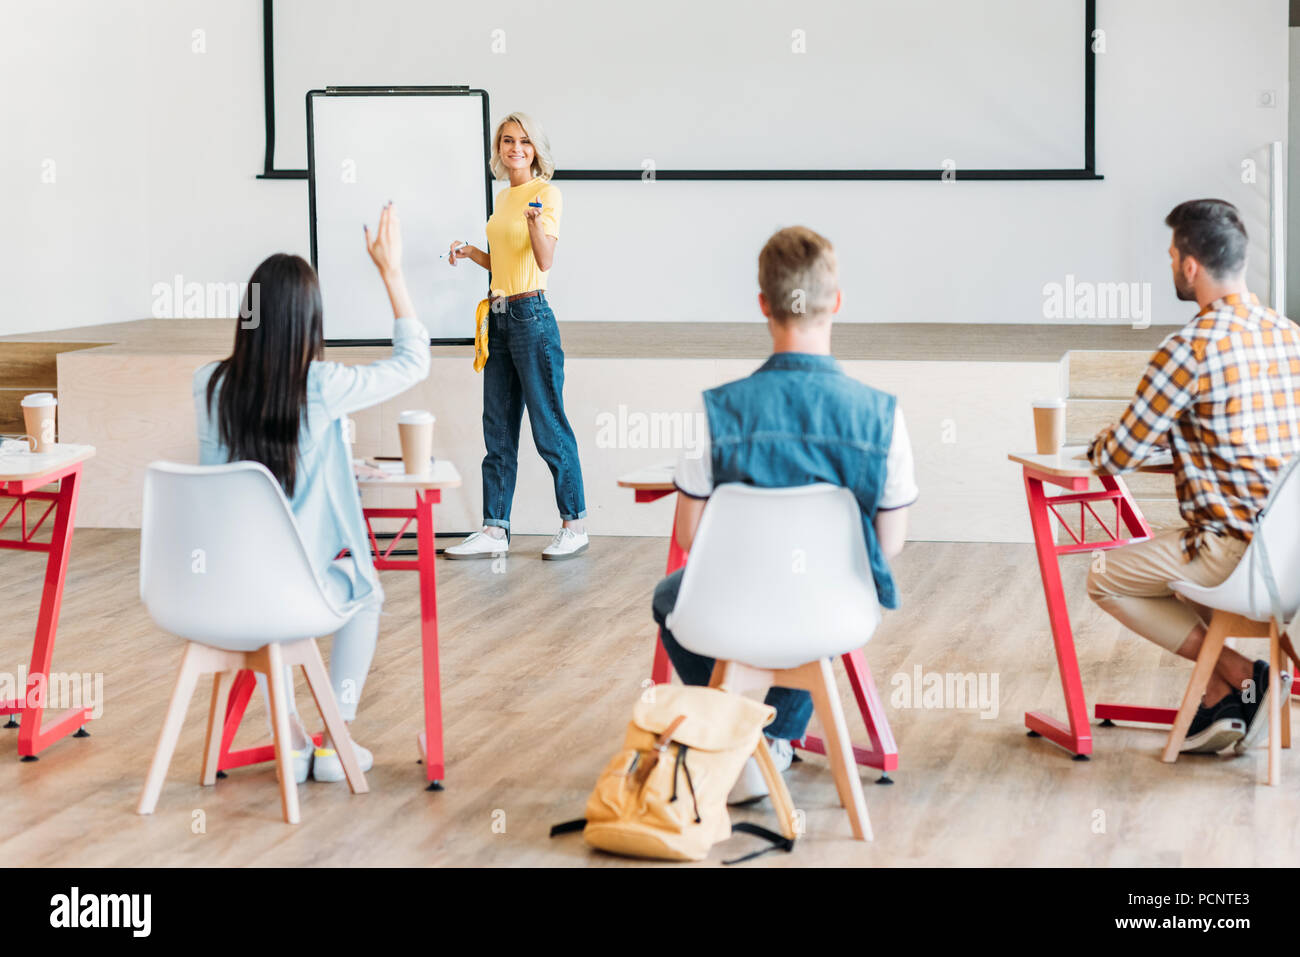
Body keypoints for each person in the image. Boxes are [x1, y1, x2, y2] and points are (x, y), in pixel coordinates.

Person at [651, 225, 918, 804]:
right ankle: (775, 736)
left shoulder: (716, 412)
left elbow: (690, 535)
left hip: (732, 609)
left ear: (763, 305)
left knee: (670, 598)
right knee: (816, 600)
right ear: (837, 302)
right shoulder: (883, 416)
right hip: (831, 612)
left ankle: (748, 733)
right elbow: (889, 542)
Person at [193, 203, 430, 782]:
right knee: (364, 590)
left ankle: (291, 733)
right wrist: (391, 273)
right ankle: (336, 735)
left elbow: (241, 472)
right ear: (309, 321)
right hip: (294, 593)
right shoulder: (322, 386)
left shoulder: (208, 384)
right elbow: (413, 361)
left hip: (217, 594)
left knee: (281, 589)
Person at [1086, 198, 1300, 754]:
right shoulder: (1288, 335)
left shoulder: (1189, 348)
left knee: (1103, 574)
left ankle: (1239, 675)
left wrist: (1102, 441)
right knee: (1175, 576)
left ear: (1188, 266)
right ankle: (1222, 694)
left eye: (1171, 254)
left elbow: (1117, 457)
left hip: (1229, 553)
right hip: (1290, 554)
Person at [444, 111, 588, 561]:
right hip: (499, 315)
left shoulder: (546, 194)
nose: (515, 148)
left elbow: (544, 261)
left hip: (531, 316)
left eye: (524, 141)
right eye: (507, 141)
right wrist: (472, 253)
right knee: (498, 430)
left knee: (548, 424)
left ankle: (574, 524)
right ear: (499, 149)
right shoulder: (503, 197)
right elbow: (504, 260)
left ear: (536, 150)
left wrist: (532, 223)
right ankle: (494, 529)